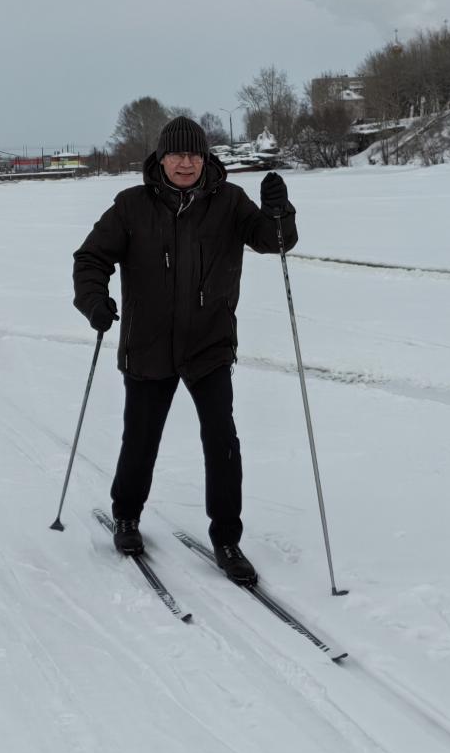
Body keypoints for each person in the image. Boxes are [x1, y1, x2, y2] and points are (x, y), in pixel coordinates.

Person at [72, 116, 296, 585]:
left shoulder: (229, 201)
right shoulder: (131, 206)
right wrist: (94, 301)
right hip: (147, 344)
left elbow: (274, 242)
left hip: (209, 344)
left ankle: (227, 538)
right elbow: (91, 258)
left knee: (222, 443)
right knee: (140, 440)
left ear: (206, 157)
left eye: (194, 154)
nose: (186, 163)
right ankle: (127, 516)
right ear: (161, 158)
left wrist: (281, 213)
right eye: (177, 154)